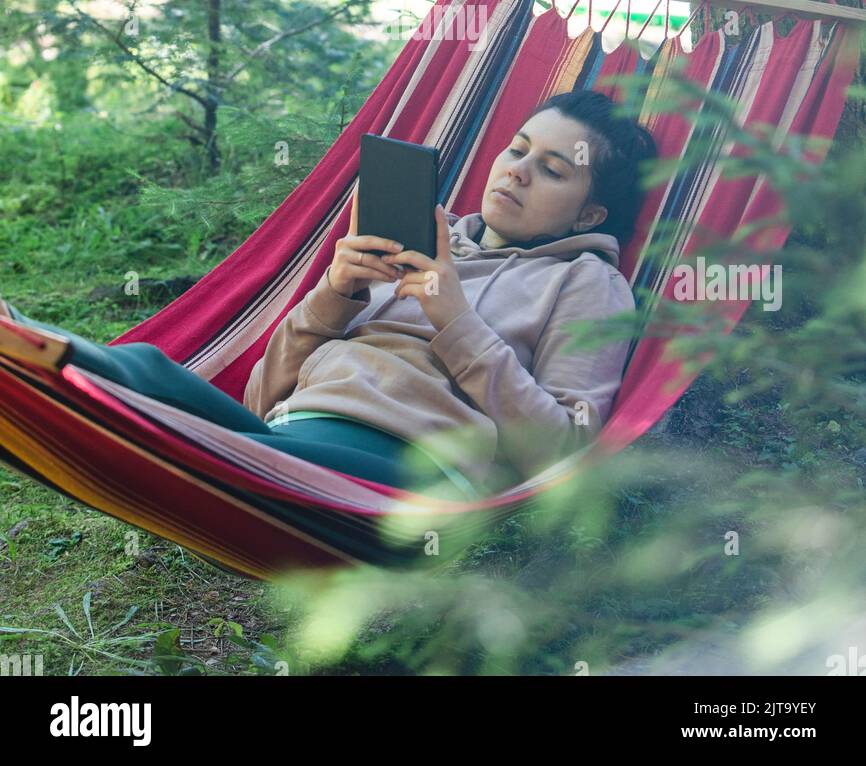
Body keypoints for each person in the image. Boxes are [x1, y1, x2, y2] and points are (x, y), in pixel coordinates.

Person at [0, 90, 656, 501]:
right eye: (517, 149)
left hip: (404, 481)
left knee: (221, 456)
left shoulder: (588, 284)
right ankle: (23, 359)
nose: (515, 169)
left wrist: (454, 319)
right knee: (146, 369)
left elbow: (563, 452)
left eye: (551, 169)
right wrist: (333, 296)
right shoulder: (428, 237)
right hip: (291, 440)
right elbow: (261, 401)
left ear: (589, 217)